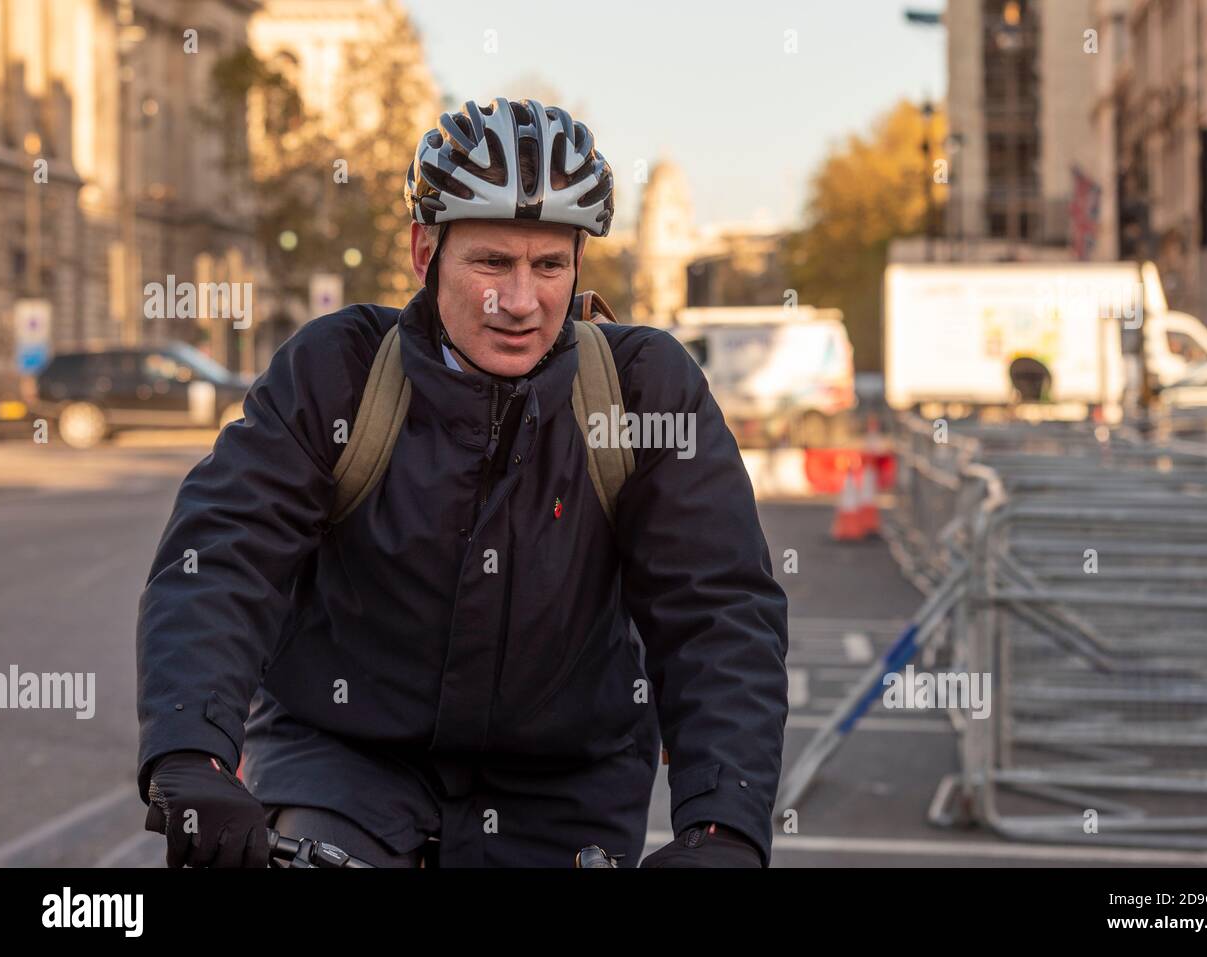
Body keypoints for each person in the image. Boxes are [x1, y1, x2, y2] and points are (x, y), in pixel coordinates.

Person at [136, 97, 789, 868]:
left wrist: (724, 826)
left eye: (549, 265)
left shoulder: (645, 391)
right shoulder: (336, 372)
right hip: (347, 764)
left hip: (562, 790)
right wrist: (190, 752)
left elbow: (716, 607)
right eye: (490, 263)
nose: (520, 301)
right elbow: (223, 554)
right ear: (424, 252)